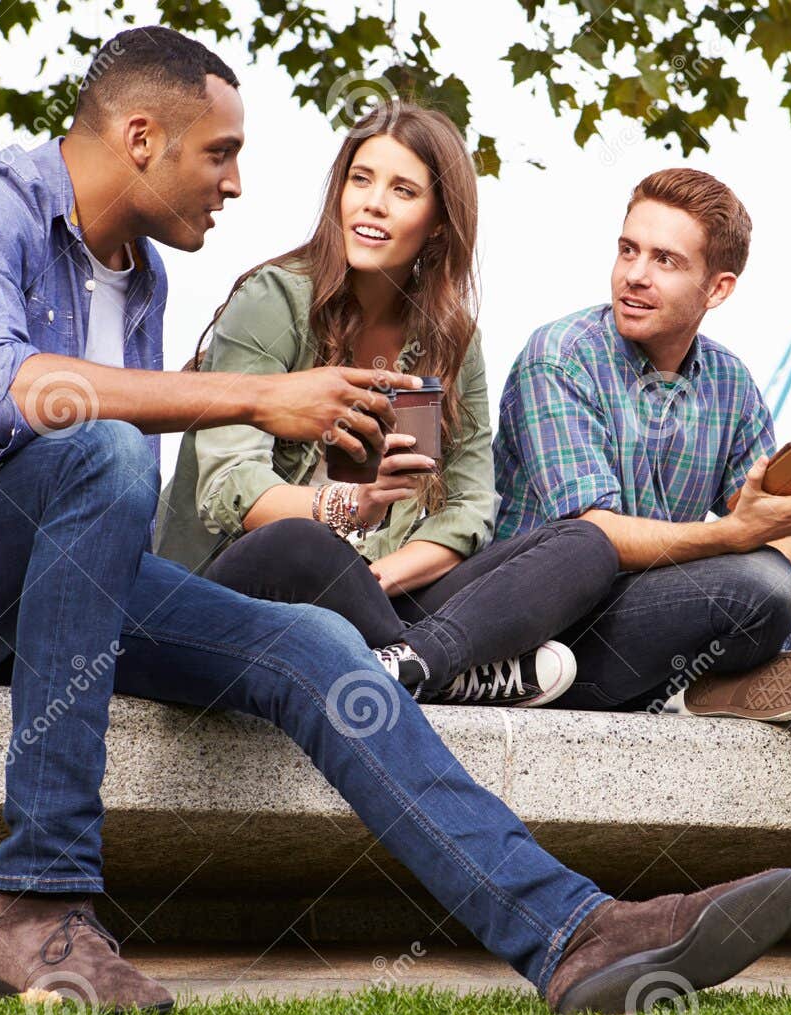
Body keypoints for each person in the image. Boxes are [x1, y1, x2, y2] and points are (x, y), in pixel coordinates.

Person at [0, 27, 791, 1015]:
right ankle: (39, 904)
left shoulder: (142, 275)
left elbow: (108, 491)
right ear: (143, 138)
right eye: (220, 154)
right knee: (91, 445)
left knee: (315, 644)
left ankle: (572, 929)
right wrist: (252, 398)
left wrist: (358, 497)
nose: (235, 182)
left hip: (48, 589)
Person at [155, 103, 617, 708]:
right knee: (303, 542)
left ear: (439, 225)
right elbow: (230, 488)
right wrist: (355, 506)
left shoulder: (453, 339)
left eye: (403, 190)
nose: (373, 203)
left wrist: (377, 580)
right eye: (361, 179)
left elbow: (472, 508)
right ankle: (452, 670)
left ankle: (416, 662)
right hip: (234, 594)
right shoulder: (274, 300)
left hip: (377, 594)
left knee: (586, 545)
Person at [494, 168, 791, 718]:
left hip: (675, 603)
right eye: (628, 251)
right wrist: (740, 536)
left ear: (717, 288)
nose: (634, 276)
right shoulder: (560, 357)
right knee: (757, 585)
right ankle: (743, 679)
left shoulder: (729, 381)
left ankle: (735, 684)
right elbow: (593, 539)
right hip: (562, 632)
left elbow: (778, 534)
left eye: (664, 260)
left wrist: (764, 531)